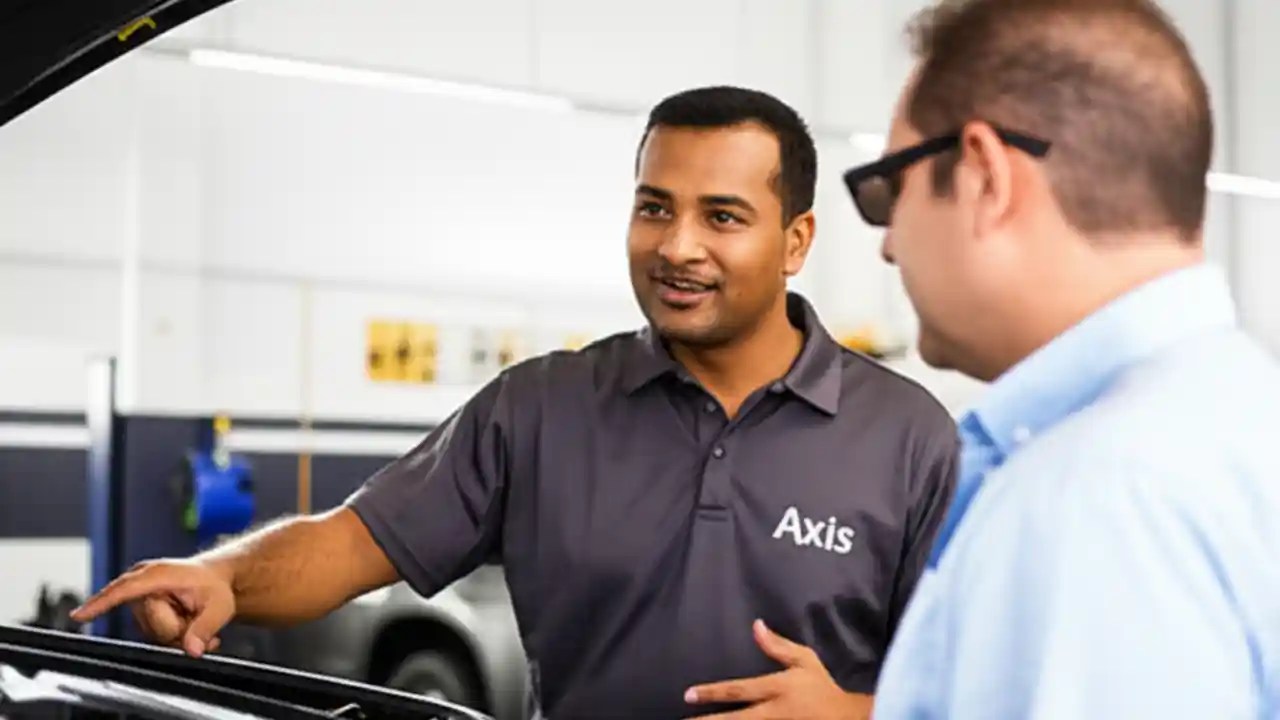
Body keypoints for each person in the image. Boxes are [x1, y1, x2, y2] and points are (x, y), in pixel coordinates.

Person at [72, 86, 959, 720]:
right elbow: (354, 540)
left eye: (722, 217)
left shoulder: (911, 440)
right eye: (655, 208)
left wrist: (854, 714)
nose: (677, 246)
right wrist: (222, 578)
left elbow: (993, 680)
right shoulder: (539, 408)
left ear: (795, 239)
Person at [839, 0, 1280, 717]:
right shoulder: (1243, 417)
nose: (889, 243)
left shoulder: (1098, 494)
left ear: (984, 177)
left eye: (891, 189)